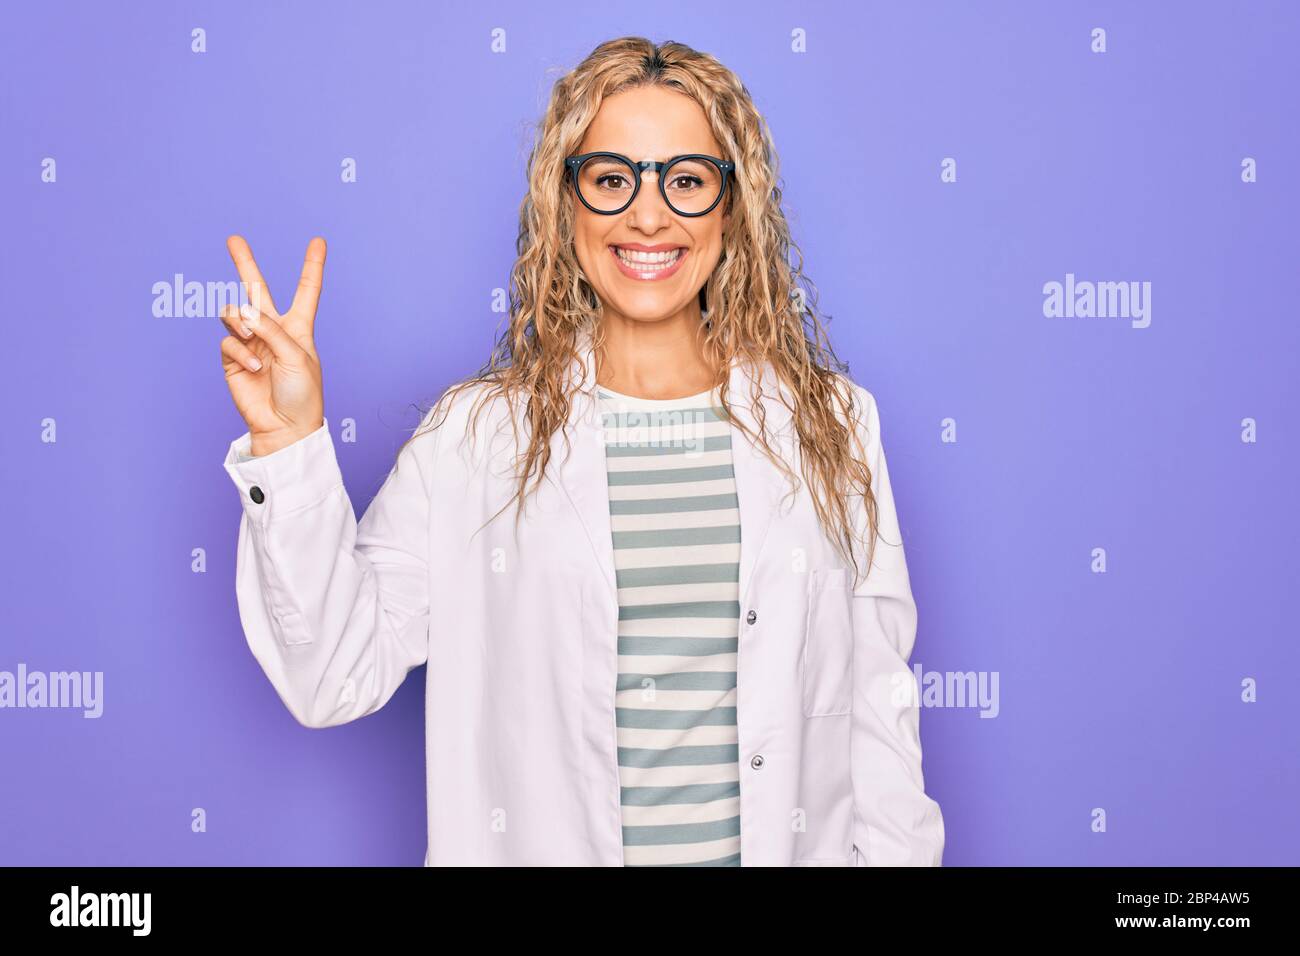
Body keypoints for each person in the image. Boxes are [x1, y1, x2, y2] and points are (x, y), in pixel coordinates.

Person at [216, 36, 944, 867]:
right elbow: (331, 675)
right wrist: (287, 443)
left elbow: (879, 719)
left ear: (732, 207)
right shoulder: (473, 440)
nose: (649, 214)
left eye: (687, 180)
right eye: (611, 179)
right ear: (567, 206)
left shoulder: (834, 426)